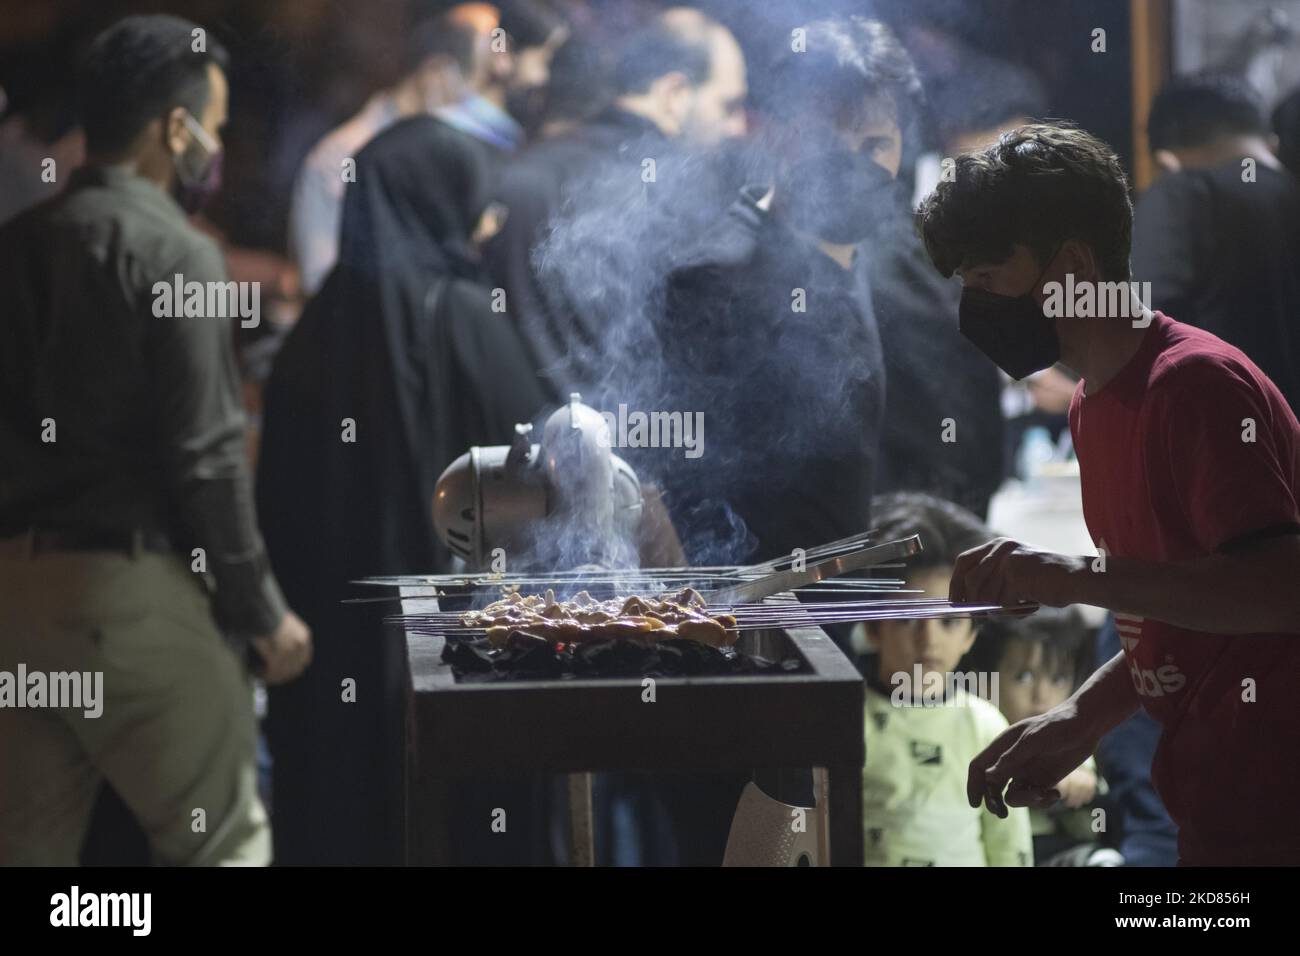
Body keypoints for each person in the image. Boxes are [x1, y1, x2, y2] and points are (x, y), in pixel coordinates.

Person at [919, 121, 1300, 865]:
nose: (977, 309)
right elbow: (1180, 612)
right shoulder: (1093, 405)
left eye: (986, 282)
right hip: (1216, 803)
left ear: (1069, 266)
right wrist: (1077, 720)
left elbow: (1279, 589)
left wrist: (1069, 576)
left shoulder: (1194, 386)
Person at [0, 14, 310, 865]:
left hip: (12, 606)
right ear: (175, 129)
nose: (213, 145)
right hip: (127, 598)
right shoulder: (180, 253)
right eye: (211, 123)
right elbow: (207, 453)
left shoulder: (15, 244)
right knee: (226, 845)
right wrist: (262, 614)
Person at [257, 115, 550, 864]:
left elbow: (276, 504)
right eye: (474, 200)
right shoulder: (465, 317)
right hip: (454, 647)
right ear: (436, 200)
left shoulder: (312, 334)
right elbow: (534, 471)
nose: (486, 222)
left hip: (329, 646)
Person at [485, 5, 748, 403]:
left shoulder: (522, 167)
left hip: (513, 447)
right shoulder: (684, 192)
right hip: (636, 450)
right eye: (728, 106)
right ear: (675, 93)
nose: (738, 127)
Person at [289, 3, 509, 296]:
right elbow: (321, 283)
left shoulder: (445, 159)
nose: (490, 103)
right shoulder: (342, 157)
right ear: (436, 74)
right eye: (484, 84)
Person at [860, 493, 1033, 867]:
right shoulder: (847, 722)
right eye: (907, 619)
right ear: (873, 628)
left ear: (970, 634)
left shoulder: (987, 726)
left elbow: (1009, 844)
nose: (929, 640)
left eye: (949, 622)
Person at [1133, 73, 1300, 411]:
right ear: (1269, 142)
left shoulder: (1183, 196)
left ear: (1167, 160)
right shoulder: (1290, 193)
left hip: (1231, 442)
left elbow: (1142, 325)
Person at [972, 608, 1114, 865]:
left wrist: (1081, 782)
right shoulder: (978, 731)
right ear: (988, 678)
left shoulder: (1073, 744)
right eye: (1024, 677)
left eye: (1058, 679)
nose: (1042, 695)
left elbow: (1089, 788)